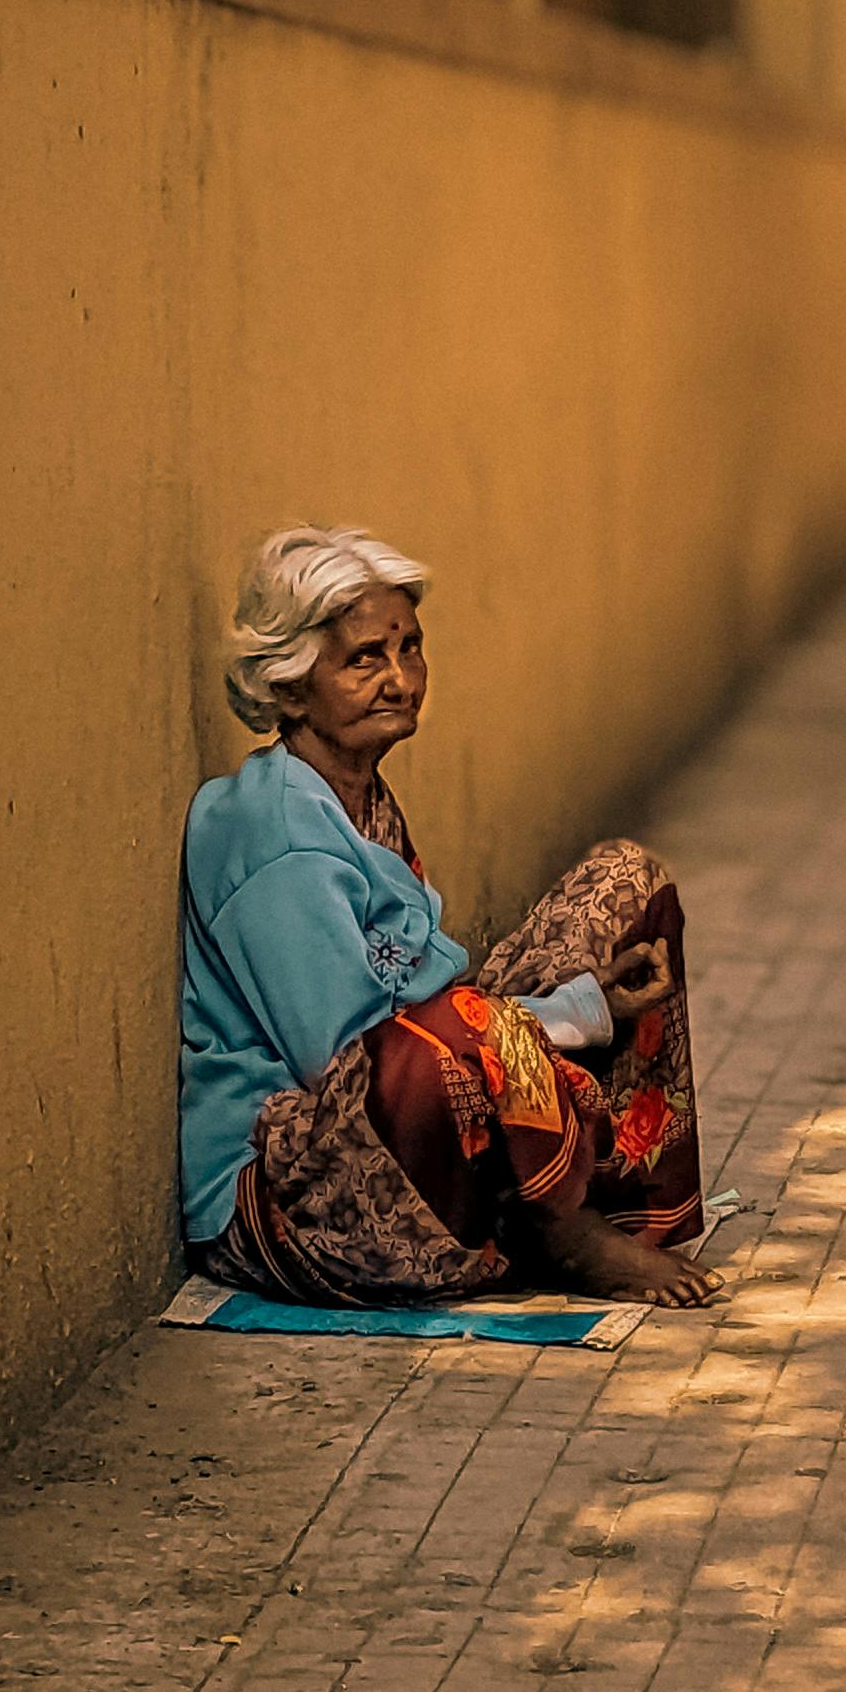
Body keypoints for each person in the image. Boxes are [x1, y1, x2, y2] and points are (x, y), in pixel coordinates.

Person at [176, 527, 719, 1306]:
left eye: (411, 649)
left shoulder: (353, 795)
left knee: (626, 887)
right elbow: (353, 1054)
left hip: (410, 1084)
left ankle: (594, 1201)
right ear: (290, 688)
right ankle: (562, 1232)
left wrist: (584, 1003)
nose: (400, 680)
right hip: (294, 1186)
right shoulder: (275, 834)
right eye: (365, 658)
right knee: (461, 1026)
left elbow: (427, 1015)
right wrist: (558, 1021)